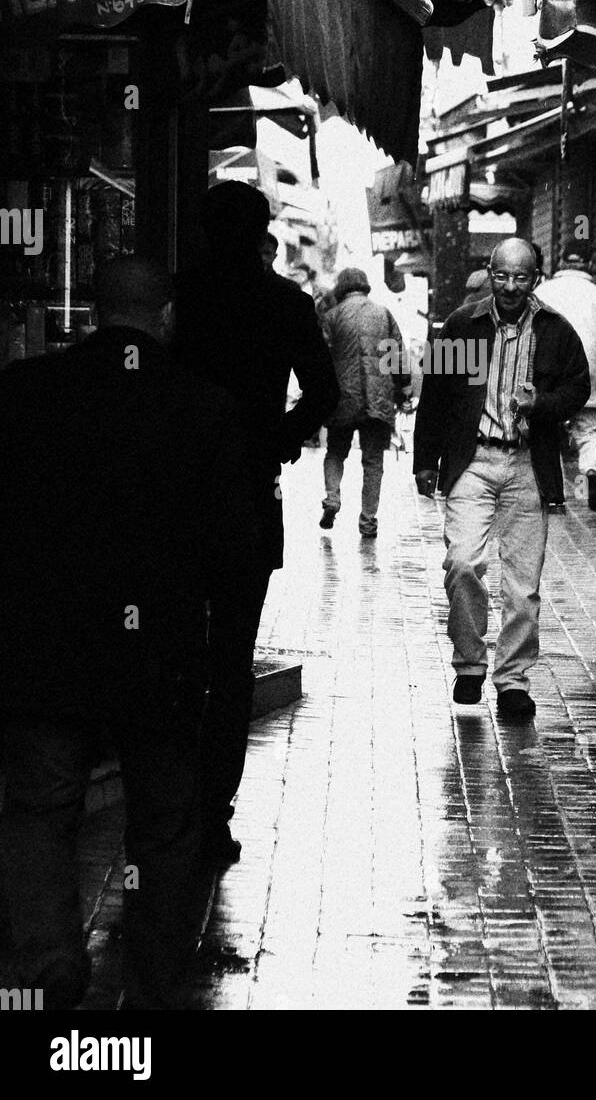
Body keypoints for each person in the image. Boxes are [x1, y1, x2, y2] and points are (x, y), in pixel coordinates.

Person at [0, 257, 259, 1010]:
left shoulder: (22, 392)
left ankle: (50, 960)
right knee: (163, 825)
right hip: (156, 652)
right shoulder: (203, 407)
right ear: (167, 317)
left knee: (42, 808)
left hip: (43, 646)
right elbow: (232, 552)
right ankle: (150, 980)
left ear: (94, 313)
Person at [173, 182, 339, 862]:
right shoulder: (285, 304)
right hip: (246, 492)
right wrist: (279, 436)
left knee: (173, 650)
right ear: (263, 233)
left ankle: (171, 806)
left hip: (175, 492)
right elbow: (325, 391)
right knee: (233, 657)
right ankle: (213, 812)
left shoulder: (180, 298)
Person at [414, 237, 590, 721]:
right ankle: (469, 664)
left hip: (527, 464)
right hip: (473, 459)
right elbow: (437, 393)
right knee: (463, 562)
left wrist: (543, 404)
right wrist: (425, 460)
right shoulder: (464, 325)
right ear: (489, 274)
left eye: (521, 277)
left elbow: (579, 387)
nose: (510, 286)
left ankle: (512, 681)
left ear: (536, 279)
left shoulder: (555, 330)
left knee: (522, 583)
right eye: (501, 276)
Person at [319, 267, 412, 537]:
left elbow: (321, 358)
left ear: (342, 288)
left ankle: (332, 498)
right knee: (373, 462)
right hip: (378, 398)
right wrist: (403, 387)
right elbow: (396, 354)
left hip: (342, 398)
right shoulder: (383, 314)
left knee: (336, 452)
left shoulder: (332, 317)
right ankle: (368, 521)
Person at [534, 237, 596, 506]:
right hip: (587, 374)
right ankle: (590, 472)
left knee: (546, 428)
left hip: (547, 373)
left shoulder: (543, 292)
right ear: (590, 264)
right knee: (589, 429)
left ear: (561, 262)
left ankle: (553, 492)